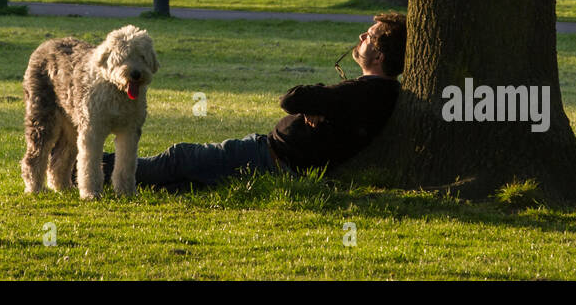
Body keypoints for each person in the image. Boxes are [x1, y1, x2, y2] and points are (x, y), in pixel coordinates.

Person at [104, 13, 406, 191]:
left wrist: (317, 102)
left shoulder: (362, 92)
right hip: (272, 156)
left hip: (269, 157)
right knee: (183, 178)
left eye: (370, 36)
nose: (361, 35)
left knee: (178, 159)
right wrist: (320, 106)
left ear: (379, 56)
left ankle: (88, 165)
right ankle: (99, 172)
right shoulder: (378, 92)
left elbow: (292, 98)